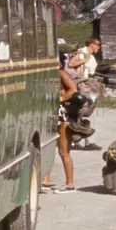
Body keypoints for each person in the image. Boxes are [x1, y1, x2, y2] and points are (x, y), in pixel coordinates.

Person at [41, 65, 81, 194]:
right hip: (52, 115)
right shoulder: (46, 73)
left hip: (63, 117)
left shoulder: (60, 73)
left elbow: (73, 90)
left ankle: (70, 184)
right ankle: (45, 181)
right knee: (48, 148)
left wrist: (60, 99)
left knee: (64, 151)